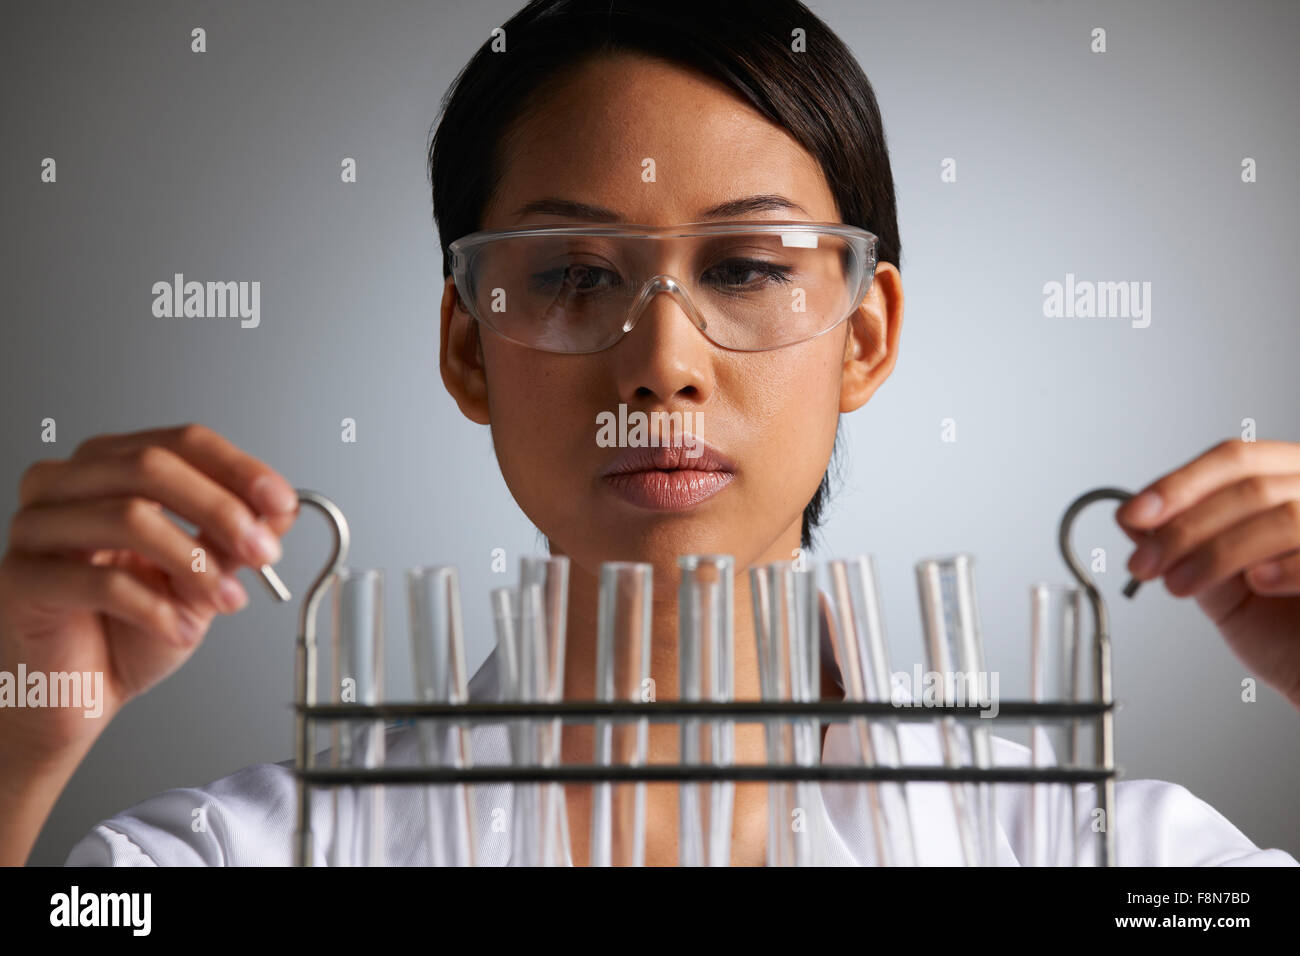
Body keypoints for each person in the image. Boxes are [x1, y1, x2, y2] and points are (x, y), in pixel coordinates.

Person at [3, 0, 1299, 867]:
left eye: (745, 267)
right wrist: (18, 738)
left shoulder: (1127, 865)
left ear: (864, 337)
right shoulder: (229, 861)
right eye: (573, 275)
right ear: (467, 345)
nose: (663, 362)